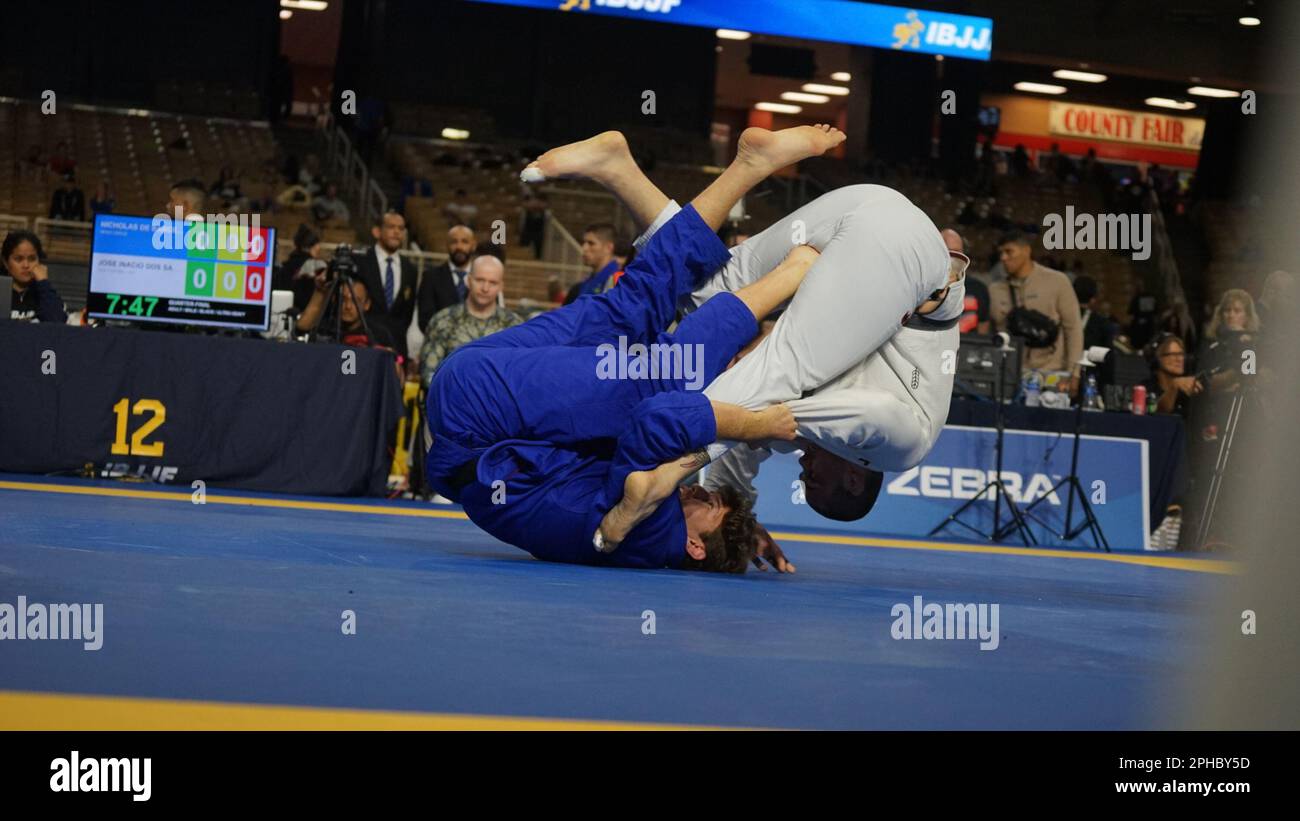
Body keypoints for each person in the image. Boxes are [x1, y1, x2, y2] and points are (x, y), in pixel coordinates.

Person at [427, 125, 845, 572]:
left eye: (707, 502)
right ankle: (700, 165)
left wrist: (753, 425)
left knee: (667, 374)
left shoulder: (653, 530)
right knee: (630, 310)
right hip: (479, 411)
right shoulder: (655, 535)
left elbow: (659, 418)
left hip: (479, 414)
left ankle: (795, 262)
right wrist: (742, 532)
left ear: (696, 548)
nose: (696, 489)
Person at [988, 231, 1083, 391]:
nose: (1003, 258)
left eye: (1009, 251)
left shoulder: (1057, 281)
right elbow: (991, 333)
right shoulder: (995, 290)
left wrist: (1074, 372)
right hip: (1008, 375)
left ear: (1026, 250)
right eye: (1001, 253)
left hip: (1051, 373)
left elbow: (1073, 328)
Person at [419, 254, 523, 390]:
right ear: (468, 280)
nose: (485, 288)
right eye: (480, 280)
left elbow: (520, 376)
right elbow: (429, 374)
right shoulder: (444, 321)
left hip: (498, 407)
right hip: (451, 405)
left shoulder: (513, 326)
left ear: (501, 287)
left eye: (493, 282)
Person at [355, 210, 419, 359]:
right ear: (377, 231)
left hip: (397, 347)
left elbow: (407, 313)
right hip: (362, 344)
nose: (397, 232)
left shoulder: (410, 269)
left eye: (401, 228)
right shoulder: (360, 261)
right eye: (391, 227)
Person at [295, 274, 398, 352]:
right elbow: (301, 329)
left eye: (355, 300)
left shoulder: (378, 335)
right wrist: (320, 291)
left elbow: (397, 365)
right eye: (343, 299)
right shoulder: (324, 329)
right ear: (335, 300)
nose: (348, 306)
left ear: (367, 304)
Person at [417, 225, 476, 330]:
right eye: (454, 242)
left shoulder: (483, 279)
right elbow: (425, 320)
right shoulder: (430, 277)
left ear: (473, 245)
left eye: (464, 241)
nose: (459, 246)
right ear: (447, 245)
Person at [4, 231, 68, 323]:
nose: (26, 265)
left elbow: (58, 325)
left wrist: (43, 283)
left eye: (32, 259)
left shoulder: (47, 293)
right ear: (6, 262)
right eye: (18, 259)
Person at [563, 223, 620, 304]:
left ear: (608, 247)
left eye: (591, 243)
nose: (584, 248)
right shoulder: (583, 285)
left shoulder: (618, 283)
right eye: (584, 243)